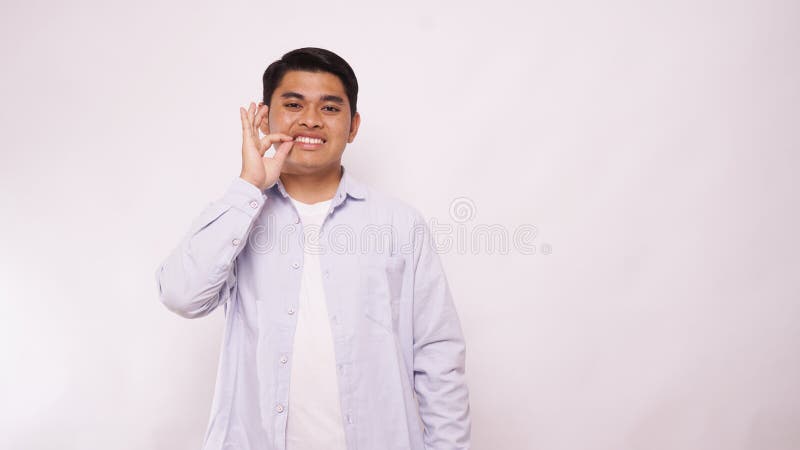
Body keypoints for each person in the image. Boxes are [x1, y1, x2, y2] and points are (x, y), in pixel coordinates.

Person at [154, 47, 470, 450]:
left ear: (353, 126)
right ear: (264, 117)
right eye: (293, 104)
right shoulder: (238, 216)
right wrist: (249, 187)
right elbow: (181, 295)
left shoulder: (399, 224)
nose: (310, 119)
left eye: (330, 108)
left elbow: (438, 355)